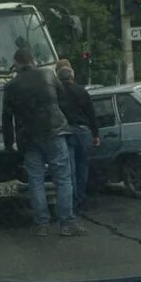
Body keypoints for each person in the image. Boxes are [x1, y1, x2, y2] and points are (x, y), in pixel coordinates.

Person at [1, 48, 87, 237]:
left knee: (36, 180)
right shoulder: (48, 75)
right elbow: (62, 98)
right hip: (54, 132)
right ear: (33, 61)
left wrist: (9, 144)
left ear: (16, 64)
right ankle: (67, 223)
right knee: (63, 179)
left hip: (28, 138)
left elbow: (7, 118)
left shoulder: (11, 86)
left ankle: (42, 224)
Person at [56, 65, 100, 212]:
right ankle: (81, 197)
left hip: (64, 131)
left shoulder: (56, 92)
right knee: (83, 166)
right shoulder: (81, 91)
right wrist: (95, 134)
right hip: (83, 131)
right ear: (72, 77)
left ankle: (71, 200)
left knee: (69, 168)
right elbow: (91, 113)